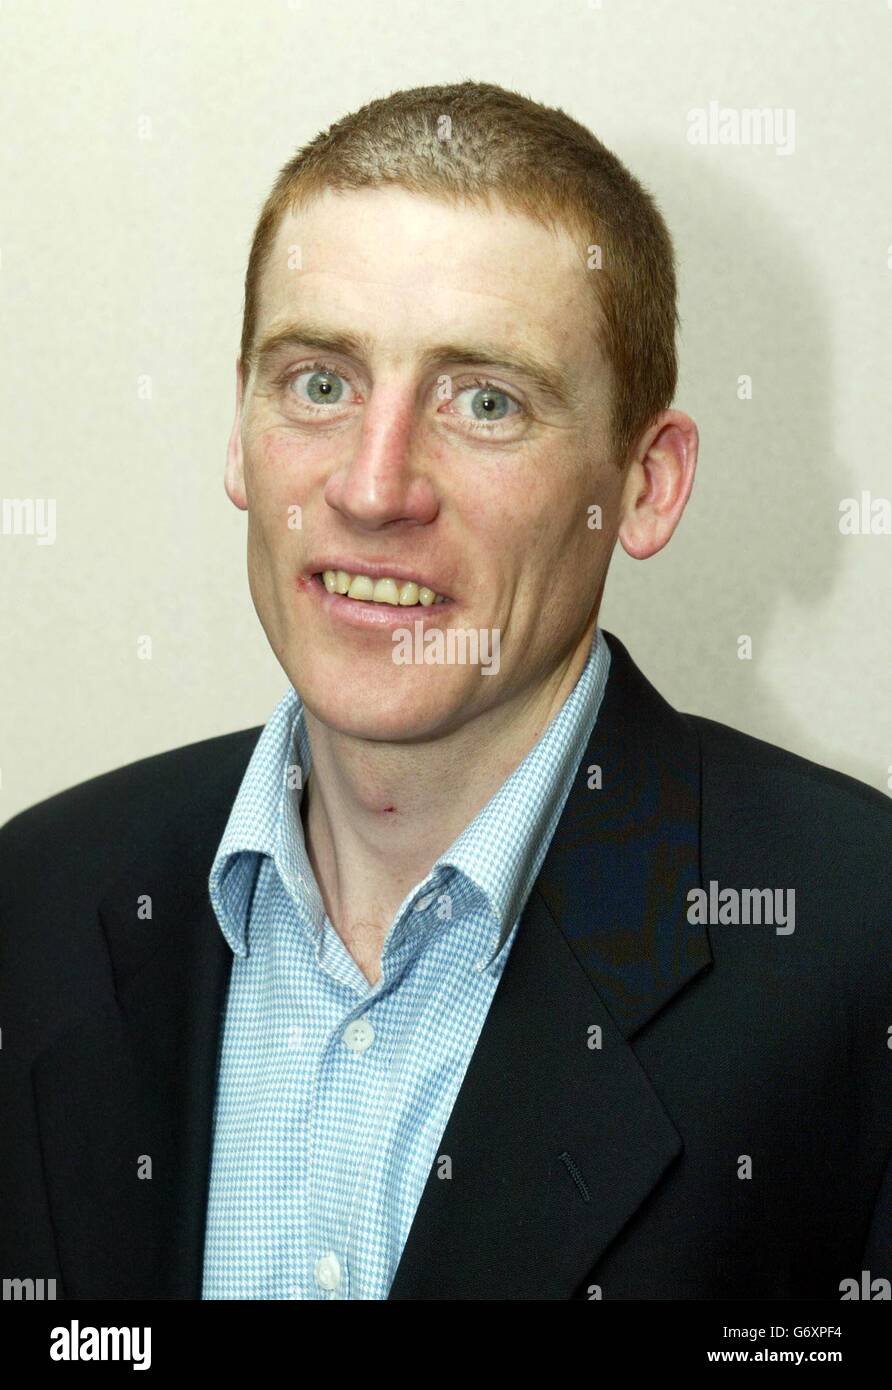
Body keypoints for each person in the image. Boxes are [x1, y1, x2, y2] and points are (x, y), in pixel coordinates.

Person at [1, 80, 889, 1302]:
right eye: (319, 382)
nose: (373, 489)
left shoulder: (857, 947)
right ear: (239, 429)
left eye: (485, 402)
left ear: (644, 483)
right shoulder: (33, 904)